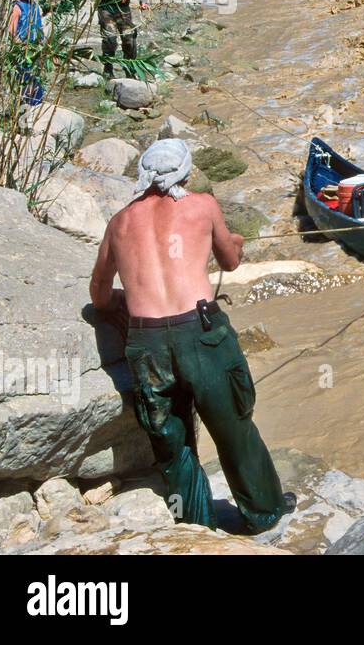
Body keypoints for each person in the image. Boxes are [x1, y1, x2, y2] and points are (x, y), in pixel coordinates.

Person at [89, 139, 293, 533]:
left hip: (147, 343)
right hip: (201, 335)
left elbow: (98, 293)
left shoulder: (120, 222)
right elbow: (230, 261)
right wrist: (234, 244)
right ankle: (263, 511)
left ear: (143, 176)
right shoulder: (202, 205)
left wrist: (119, 298)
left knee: (172, 442)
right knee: (233, 425)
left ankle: (194, 526)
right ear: (183, 172)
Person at [67, 0, 142, 79]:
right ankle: (108, 70)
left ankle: (130, 70)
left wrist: (143, 2)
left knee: (129, 38)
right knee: (110, 39)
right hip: (106, 8)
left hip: (123, 10)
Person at [8, 0, 45, 106]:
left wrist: (44, 46)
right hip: (24, 52)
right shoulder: (17, 7)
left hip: (36, 50)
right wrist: (22, 48)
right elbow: (12, 32)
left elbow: (39, 27)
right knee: (26, 79)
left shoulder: (33, 4)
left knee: (36, 78)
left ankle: (35, 105)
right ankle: (27, 107)